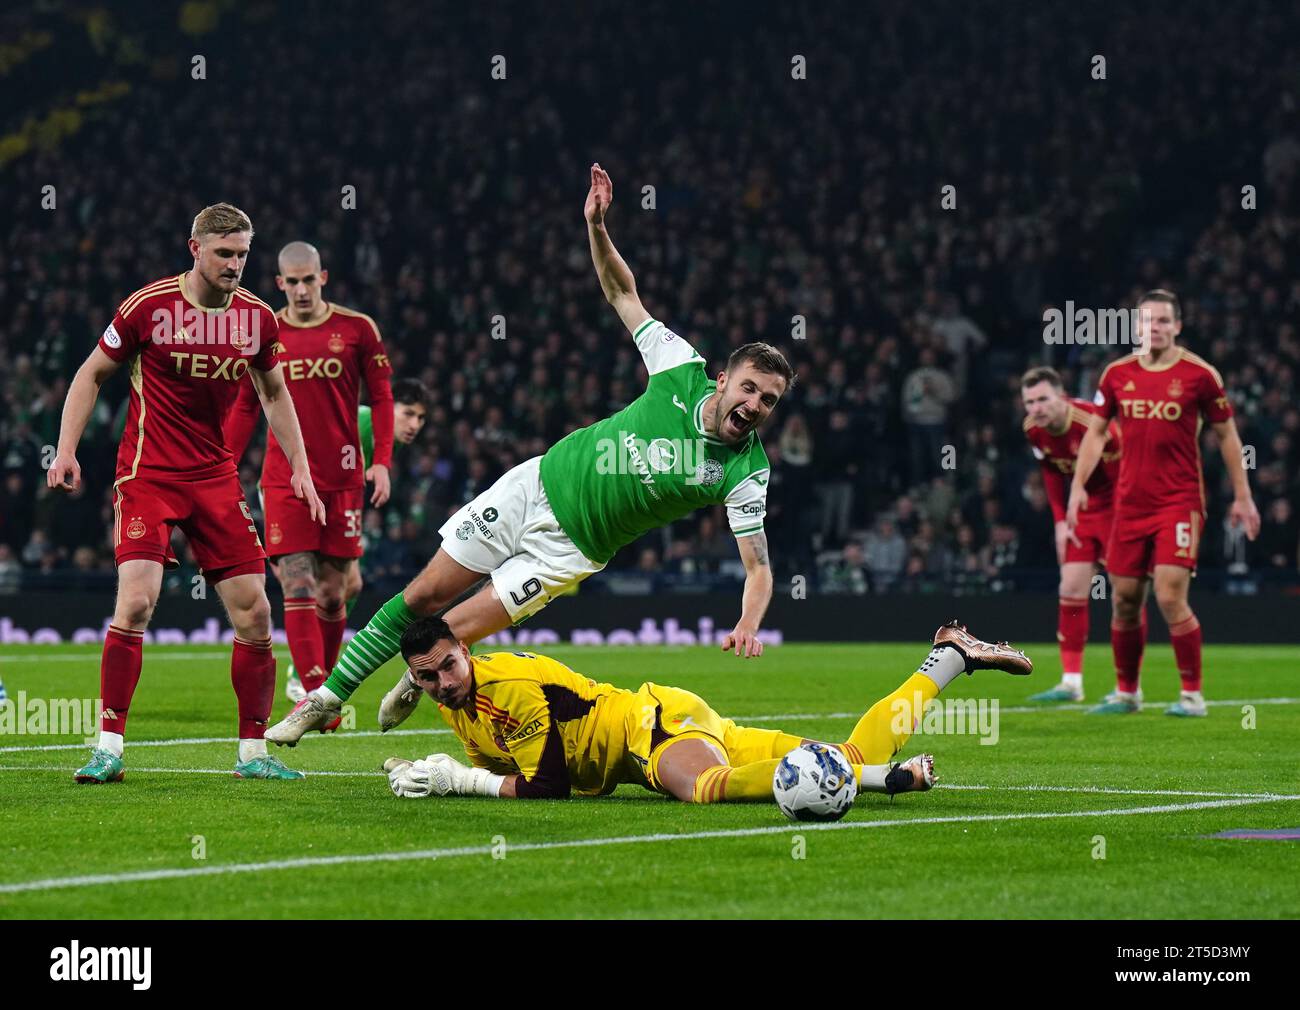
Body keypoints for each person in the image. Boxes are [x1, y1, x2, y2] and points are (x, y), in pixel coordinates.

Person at [266, 163, 793, 745]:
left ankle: (415, 679)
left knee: (449, 634)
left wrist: (748, 621)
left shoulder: (747, 471)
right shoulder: (680, 369)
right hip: (536, 486)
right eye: (749, 388)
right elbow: (623, 292)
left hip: (569, 551)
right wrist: (596, 227)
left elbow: (759, 565)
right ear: (723, 380)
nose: (755, 404)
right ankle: (325, 698)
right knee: (422, 597)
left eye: (769, 401)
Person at [47, 202, 324, 783]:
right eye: (224, 253)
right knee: (137, 602)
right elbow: (92, 373)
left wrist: (299, 466)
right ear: (194, 249)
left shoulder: (256, 320)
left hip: (215, 477)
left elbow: (274, 394)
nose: (234, 264)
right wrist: (66, 449)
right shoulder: (147, 306)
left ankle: (253, 754)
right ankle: (108, 748)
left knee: (255, 611)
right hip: (148, 474)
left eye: (243, 254)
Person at [383, 617, 1031, 804]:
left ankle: (881, 782)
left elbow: (548, 790)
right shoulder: (453, 703)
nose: (443, 682)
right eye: (426, 677)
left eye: (449, 665)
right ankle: (949, 658)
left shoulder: (509, 687)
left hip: (649, 728)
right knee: (851, 753)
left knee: (704, 790)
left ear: (466, 649)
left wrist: (454, 782)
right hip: (666, 723)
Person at [1067, 290, 1261, 716]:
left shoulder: (1200, 375)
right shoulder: (1116, 374)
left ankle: (1192, 696)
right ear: (1136, 327)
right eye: (1146, 322)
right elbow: (1096, 433)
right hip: (1129, 505)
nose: (1153, 329)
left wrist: (1243, 496)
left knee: (1170, 596)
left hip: (1178, 501)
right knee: (1124, 600)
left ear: (1177, 326)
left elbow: (1227, 435)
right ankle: (1127, 693)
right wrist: (1078, 486)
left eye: (1162, 322)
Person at [280, 378, 429, 703]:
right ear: (388, 407)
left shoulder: (392, 440)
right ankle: (303, 671)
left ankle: (314, 669)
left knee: (351, 587)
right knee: (316, 586)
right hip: (297, 489)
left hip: (334, 502)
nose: (414, 424)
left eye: (421, 417)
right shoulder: (362, 421)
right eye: (408, 414)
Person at [1020, 366, 1121, 702]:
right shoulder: (1034, 430)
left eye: (1043, 399)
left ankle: (1126, 687)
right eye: (1030, 401)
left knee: (1125, 595)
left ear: (1061, 396)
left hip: (1121, 507)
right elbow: (1050, 474)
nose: (1036, 408)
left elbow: (1131, 458)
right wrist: (1060, 522)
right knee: (1072, 588)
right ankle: (1072, 682)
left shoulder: (1091, 420)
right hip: (1084, 512)